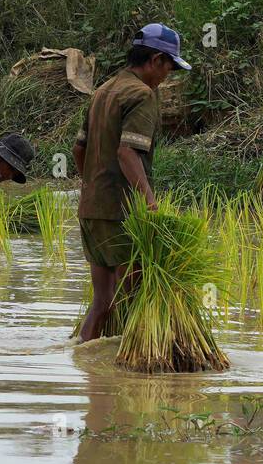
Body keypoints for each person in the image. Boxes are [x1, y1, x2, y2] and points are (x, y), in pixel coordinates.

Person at [74, 23, 192, 343]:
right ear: (155, 60)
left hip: (91, 208)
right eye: (169, 66)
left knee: (102, 303)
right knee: (136, 297)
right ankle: (133, 369)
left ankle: (86, 366)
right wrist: (150, 204)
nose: (168, 76)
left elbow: (79, 149)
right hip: (121, 212)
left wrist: (90, 187)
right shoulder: (142, 94)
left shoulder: (103, 90)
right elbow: (127, 152)